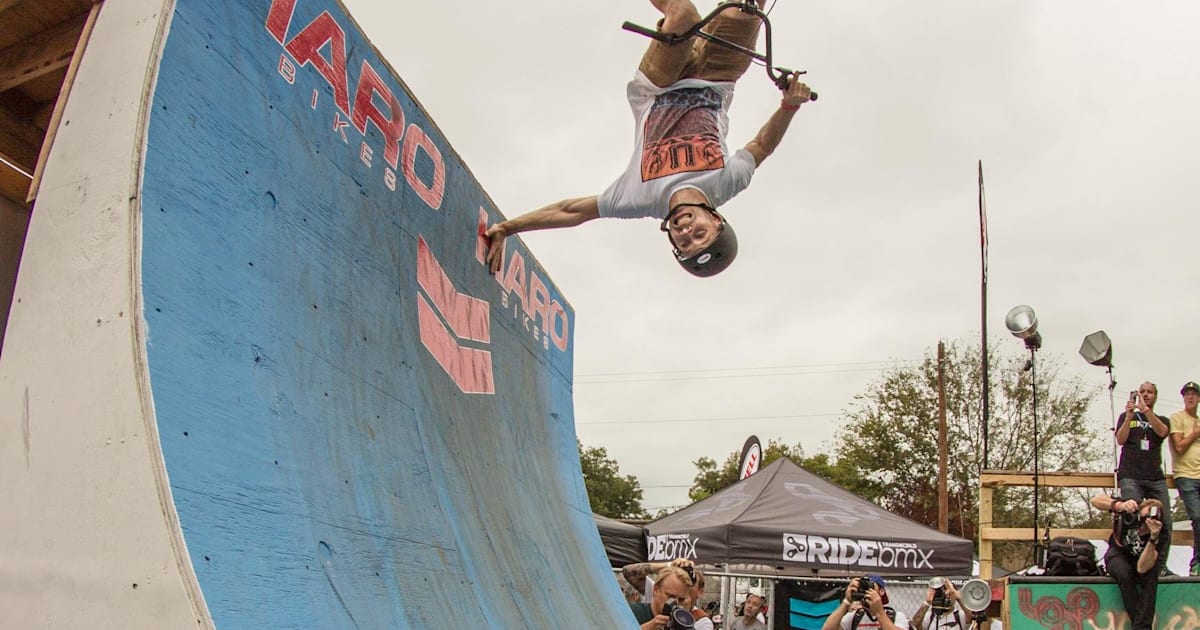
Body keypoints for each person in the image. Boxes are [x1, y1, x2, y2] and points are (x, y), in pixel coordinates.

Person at [485, 0, 814, 278]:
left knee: (683, 15)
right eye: (699, 233)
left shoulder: (638, 199)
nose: (686, 232)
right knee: (745, 9)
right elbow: (761, 147)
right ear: (715, 219)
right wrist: (789, 105)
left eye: (684, 242)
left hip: (658, 85)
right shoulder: (726, 184)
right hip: (716, 76)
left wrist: (509, 227)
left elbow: (571, 211)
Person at [1090, 494, 1168, 630]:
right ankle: (1141, 627)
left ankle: (1141, 627)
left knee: (1151, 577)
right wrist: (1119, 505)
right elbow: (1095, 501)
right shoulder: (1130, 512)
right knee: (1125, 574)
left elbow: (1142, 568)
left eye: (1150, 519)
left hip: (1141, 560)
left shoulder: (1162, 532)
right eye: (1142, 519)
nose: (1144, 525)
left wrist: (1153, 538)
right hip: (1118, 554)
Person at [1114, 382, 1172, 562]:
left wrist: (1146, 411)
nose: (1146, 395)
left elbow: (1162, 432)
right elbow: (1120, 440)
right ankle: (1133, 561)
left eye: (1150, 392)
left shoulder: (1162, 419)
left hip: (1155, 476)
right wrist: (1130, 416)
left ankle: (1160, 565)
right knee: (1134, 518)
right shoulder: (1127, 416)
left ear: (1155, 396)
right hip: (1131, 475)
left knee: (1165, 521)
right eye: (1143, 392)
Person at [1169, 380, 1200, 576]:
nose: (1190, 397)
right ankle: (1196, 562)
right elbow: (1179, 447)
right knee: (1197, 517)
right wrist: (1195, 433)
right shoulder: (1177, 418)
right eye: (1187, 394)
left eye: (1194, 394)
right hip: (1186, 475)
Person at [822, 576, 908, 630]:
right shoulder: (855, 617)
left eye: (869, 586)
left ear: (882, 591)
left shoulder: (897, 617)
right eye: (863, 587)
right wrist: (847, 601)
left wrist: (879, 612)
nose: (866, 590)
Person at [626, 563, 696, 630]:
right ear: (656, 590)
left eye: (681, 599)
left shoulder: (685, 625)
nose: (675, 603)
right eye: (671, 596)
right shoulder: (632, 611)